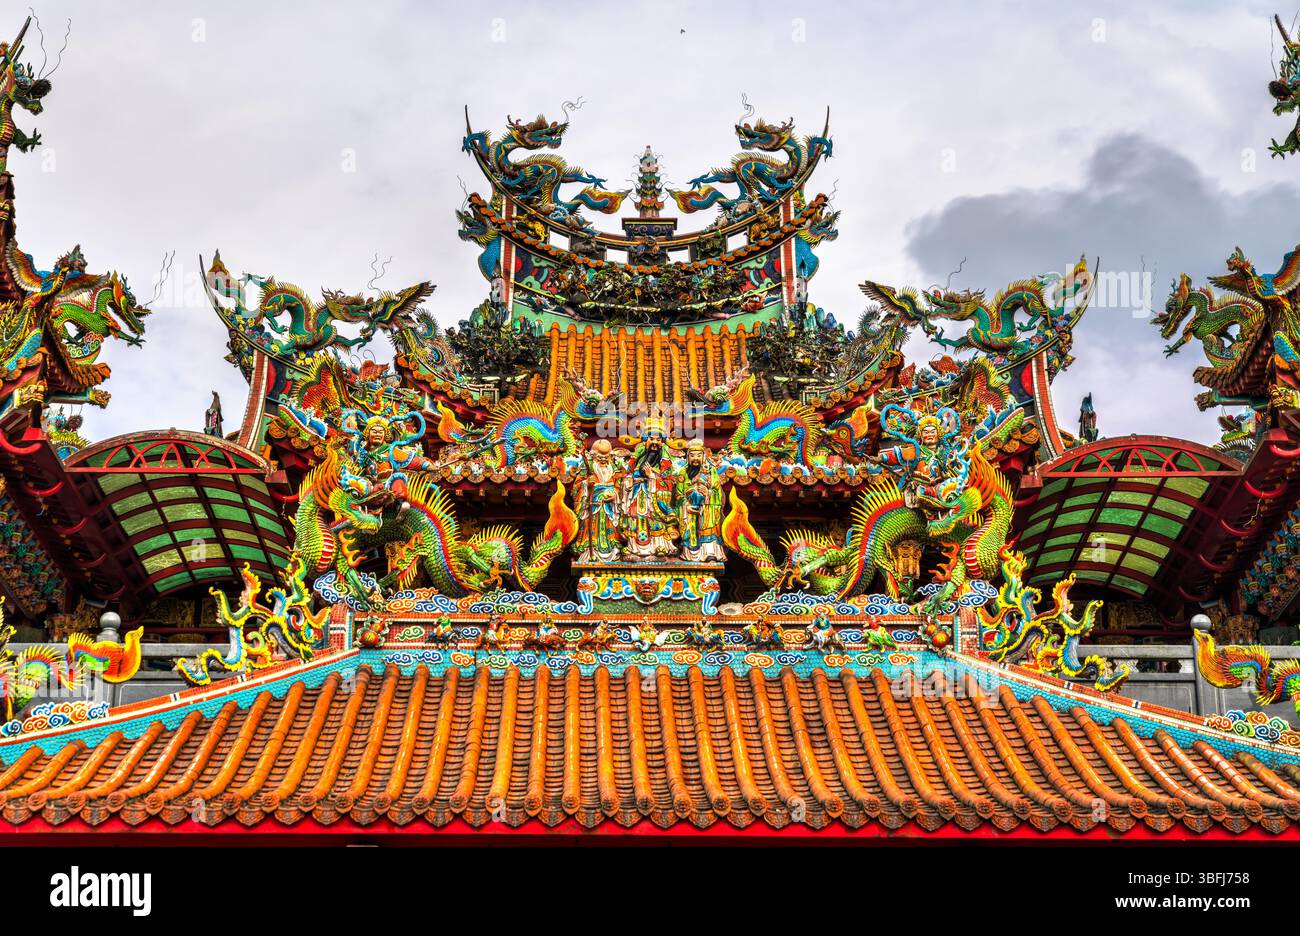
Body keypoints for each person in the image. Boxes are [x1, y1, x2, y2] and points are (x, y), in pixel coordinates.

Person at [674, 438, 725, 562]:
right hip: (689, 510)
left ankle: (709, 552)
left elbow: (717, 490)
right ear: (688, 457)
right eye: (692, 455)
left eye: (698, 455)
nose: (695, 458)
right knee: (689, 530)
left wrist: (708, 494)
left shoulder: (711, 471)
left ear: (703, 456)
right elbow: (678, 494)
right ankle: (690, 553)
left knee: (708, 526)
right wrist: (686, 505)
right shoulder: (683, 473)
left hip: (707, 508)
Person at [574, 438, 623, 563]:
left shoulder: (616, 468)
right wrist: (586, 484)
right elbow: (576, 487)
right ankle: (591, 552)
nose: (603, 459)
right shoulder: (587, 468)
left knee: (611, 530)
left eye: (606, 456)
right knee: (592, 530)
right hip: (593, 508)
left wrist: (616, 495)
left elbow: (621, 487)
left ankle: (613, 553)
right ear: (593, 455)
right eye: (600, 456)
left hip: (610, 510)